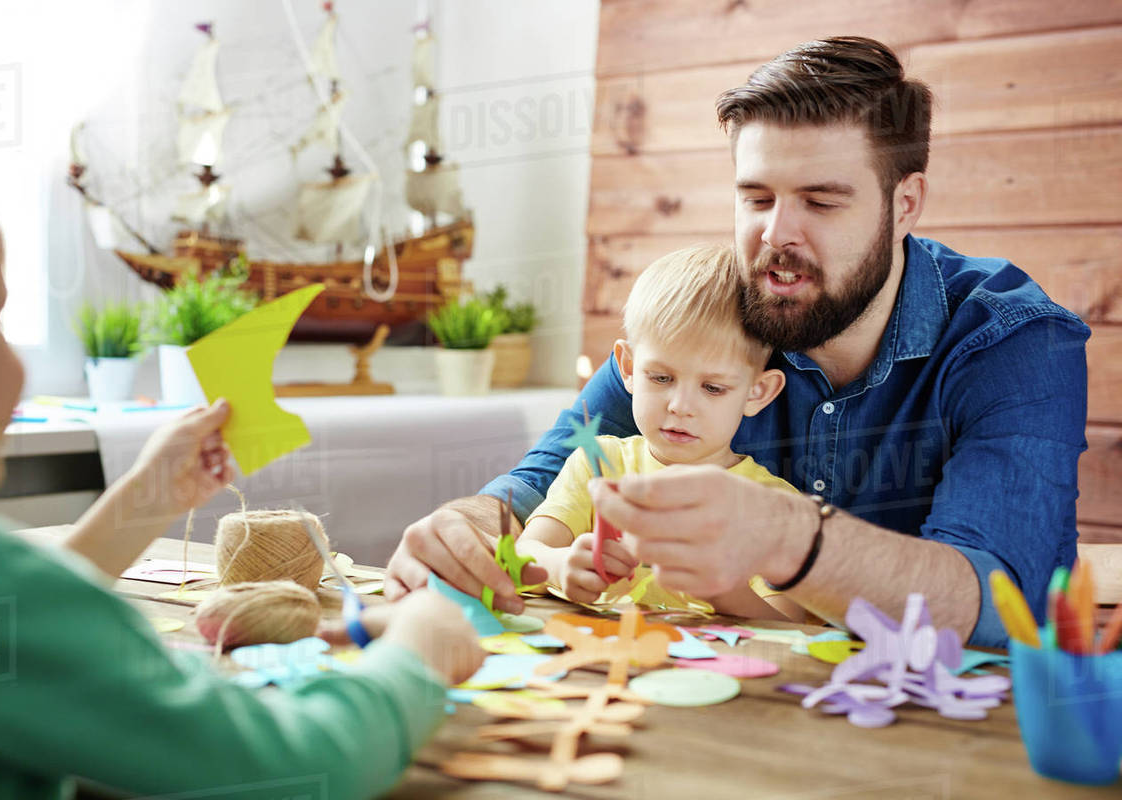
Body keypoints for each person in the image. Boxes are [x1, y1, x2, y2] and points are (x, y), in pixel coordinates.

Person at [385, 36, 1089, 649]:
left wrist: (792, 538)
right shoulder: (715, 309)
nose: (777, 235)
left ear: (904, 203)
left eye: (820, 200)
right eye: (756, 198)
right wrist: (471, 522)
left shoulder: (1016, 341)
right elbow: (551, 473)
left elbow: (1001, 604)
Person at [0, 160, 484, 800]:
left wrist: (146, 499)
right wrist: (417, 655)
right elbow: (294, 767)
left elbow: (13, 625)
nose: (17, 368)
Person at [516, 244, 805, 620]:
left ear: (757, 392)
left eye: (712, 388)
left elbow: (792, 627)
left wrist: (721, 591)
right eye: (662, 378)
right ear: (629, 368)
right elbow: (518, 559)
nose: (680, 406)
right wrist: (559, 566)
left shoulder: (773, 504)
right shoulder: (597, 465)